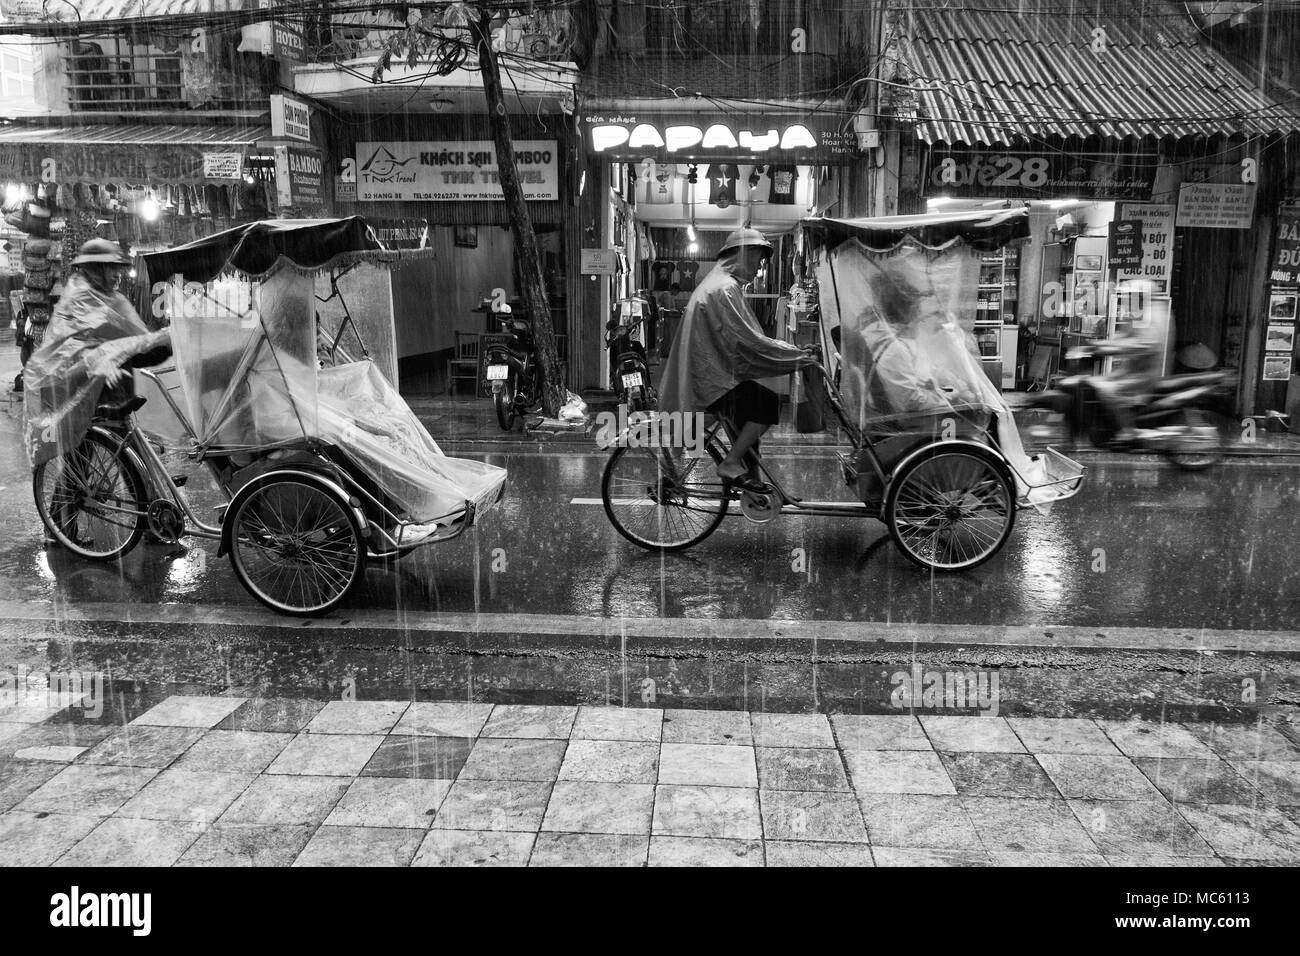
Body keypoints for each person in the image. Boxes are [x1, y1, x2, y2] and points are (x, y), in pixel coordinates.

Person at [657, 227, 816, 489]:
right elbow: (748, 342)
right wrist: (795, 356)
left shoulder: (717, 284)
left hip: (710, 375)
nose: (759, 267)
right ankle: (730, 463)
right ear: (741, 255)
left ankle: (756, 485)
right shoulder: (724, 289)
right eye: (756, 258)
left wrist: (793, 353)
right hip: (713, 380)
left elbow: (747, 338)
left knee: (748, 418)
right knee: (767, 404)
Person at [23, 239, 171, 470]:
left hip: (115, 389)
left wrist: (165, 342)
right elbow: (72, 350)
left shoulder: (115, 299)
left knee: (130, 459)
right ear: (94, 269)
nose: (116, 275)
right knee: (81, 464)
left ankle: (146, 500)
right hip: (83, 394)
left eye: (117, 268)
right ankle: (63, 507)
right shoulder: (80, 297)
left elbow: (132, 342)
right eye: (110, 268)